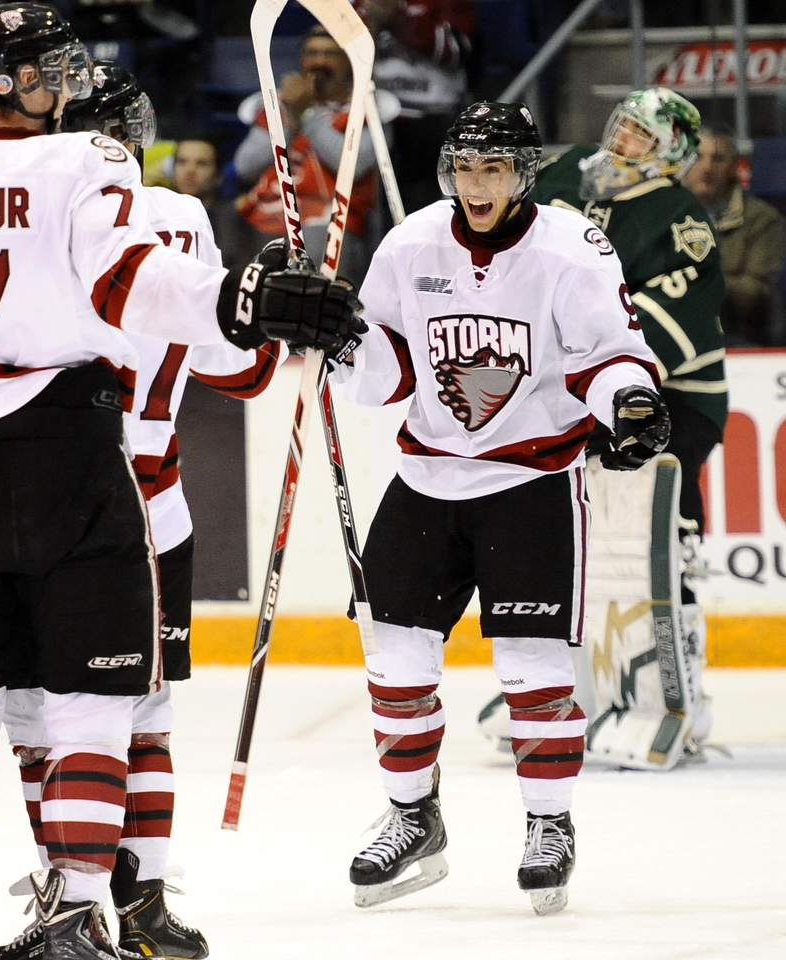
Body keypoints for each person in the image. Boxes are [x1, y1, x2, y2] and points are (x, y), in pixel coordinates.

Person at [0, 5, 358, 958]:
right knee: (94, 710)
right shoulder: (93, 165)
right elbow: (136, 289)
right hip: (72, 459)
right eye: (45, 70)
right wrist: (245, 301)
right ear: (0, 80)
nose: (63, 86)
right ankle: (87, 910)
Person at [0, 62, 287, 960]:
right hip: (153, 508)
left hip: (44, 495)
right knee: (140, 719)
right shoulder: (182, 220)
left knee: (44, 724)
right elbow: (244, 368)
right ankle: (143, 905)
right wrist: (276, 304)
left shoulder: (36, 210)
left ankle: (66, 906)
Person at [329, 101, 665, 916]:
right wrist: (333, 332)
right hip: (427, 479)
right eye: (464, 168)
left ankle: (549, 825)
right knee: (396, 660)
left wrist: (631, 400)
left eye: (494, 169)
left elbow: (610, 353)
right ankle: (414, 818)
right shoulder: (411, 243)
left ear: (524, 174)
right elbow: (387, 373)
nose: (476, 184)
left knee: (531, 669)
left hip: (531, 486)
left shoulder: (569, 248)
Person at [531, 88, 725, 602]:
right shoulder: (568, 166)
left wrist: (583, 365)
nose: (623, 136)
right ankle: (560, 646)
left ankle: (678, 620)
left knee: (669, 490)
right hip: (579, 374)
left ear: (670, 150)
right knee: (550, 502)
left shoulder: (680, 216)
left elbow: (676, 313)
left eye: (642, 133)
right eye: (624, 123)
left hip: (679, 390)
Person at [233, 25, 378, 285]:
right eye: (312, 53)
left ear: (347, 61)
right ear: (301, 59)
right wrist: (289, 122)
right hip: (268, 217)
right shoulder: (278, 104)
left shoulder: (367, 107)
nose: (319, 61)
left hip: (332, 222)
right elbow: (245, 166)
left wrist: (308, 114)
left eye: (330, 54)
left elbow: (352, 167)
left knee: (314, 236)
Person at [355, 0, 476, 213]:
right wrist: (371, 21)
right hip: (373, 112)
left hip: (433, 115)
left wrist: (397, 18)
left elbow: (455, 52)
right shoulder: (360, 4)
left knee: (423, 199)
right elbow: (339, 57)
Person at [684, 124, 786, 346]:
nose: (707, 168)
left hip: (738, 334)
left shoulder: (762, 219)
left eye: (718, 158)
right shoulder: (664, 213)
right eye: (697, 157)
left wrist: (693, 282)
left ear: (734, 167)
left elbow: (757, 293)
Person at [172, 135, 260, 269]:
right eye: (182, 162)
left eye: (201, 164)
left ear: (218, 175)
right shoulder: (154, 213)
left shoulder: (233, 223)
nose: (190, 170)